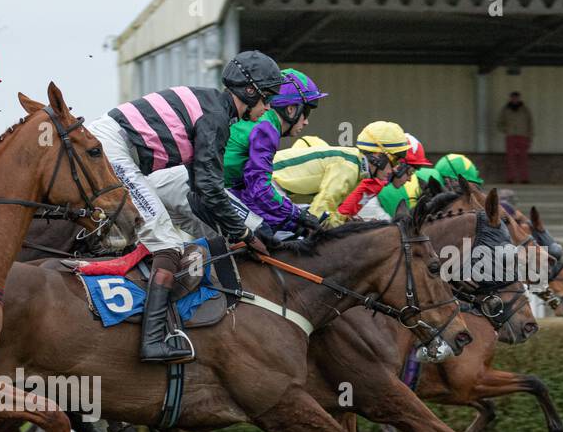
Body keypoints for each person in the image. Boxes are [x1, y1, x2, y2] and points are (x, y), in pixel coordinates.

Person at [87, 51, 283, 362]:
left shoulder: (214, 108)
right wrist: (243, 232)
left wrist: (235, 230)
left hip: (115, 145)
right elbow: (208, 187)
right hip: (113, 149)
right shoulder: (216, 117)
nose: (269, 107)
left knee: (171, 228)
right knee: (168, 245)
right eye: (267, 98)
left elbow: (200, 191)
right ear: (249, 91)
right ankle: (152, 341)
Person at [234, 69, 330, 236]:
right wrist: (298, 215)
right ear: (291, 109)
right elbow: (260, 191)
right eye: (305, 113)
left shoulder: (264, 123)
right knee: (257, 237)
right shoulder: (267, 128)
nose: (306, 122)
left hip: (199, 185)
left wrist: (293, 225)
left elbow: (249, 196)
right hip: (197, 188)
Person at [270, 135, 364, 228]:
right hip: (271, 178)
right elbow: (325, 203)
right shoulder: (348, 166)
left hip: (277, 182)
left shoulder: (346, 166)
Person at [498, 91, 533, 184]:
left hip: (523, 136)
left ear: (519, 98)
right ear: (510, 98)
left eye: (516, 98)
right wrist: (506, 130)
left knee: (523, 158)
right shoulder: (505, 110)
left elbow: (530, 123)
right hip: (510, 136)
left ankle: (524, 178)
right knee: (510, 158)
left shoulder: (525, 110)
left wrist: (529, 136)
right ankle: (510, 178)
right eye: (513, 98)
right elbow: (500, 122)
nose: (515, 99)